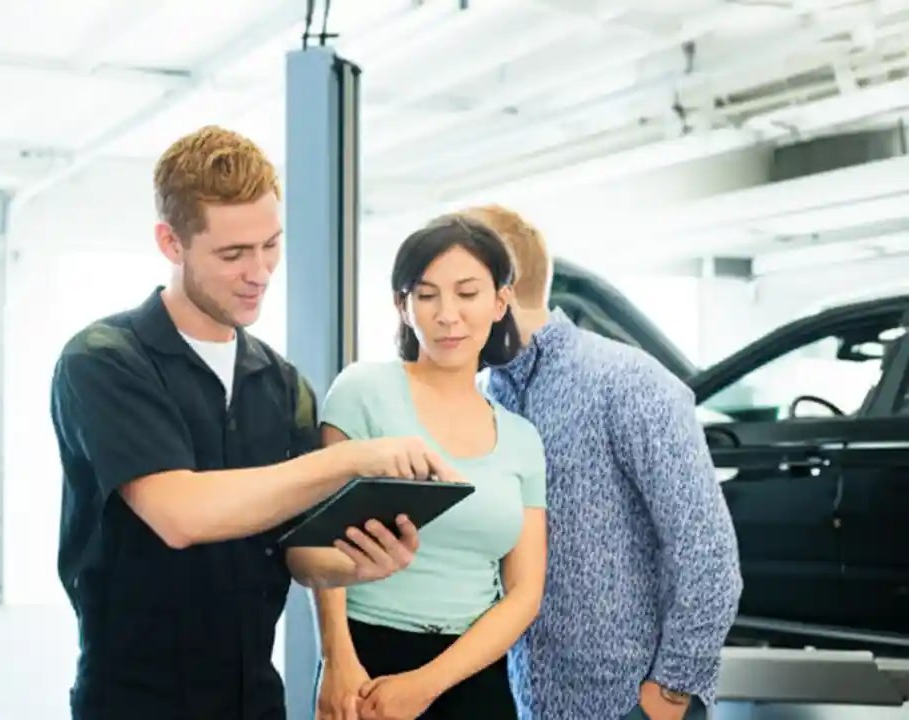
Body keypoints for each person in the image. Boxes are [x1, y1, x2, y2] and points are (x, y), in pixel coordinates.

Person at [49, 125, 455, 720]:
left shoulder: (283, 385)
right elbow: (181, 514)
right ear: (171, 242)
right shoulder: (104, 360)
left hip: (255, 699)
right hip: (132, 701)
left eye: (271, 245)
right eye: (233, 254)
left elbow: (296, 554)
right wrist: (351, 458)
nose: (260, 272)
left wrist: (360, 561)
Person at [466, 204, 743, 720]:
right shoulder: (483, 398)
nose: (444, 313)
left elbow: (708, 556)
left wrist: (669, 696)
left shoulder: (627, 382)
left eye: (461, 289)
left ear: (500, 289)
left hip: (633, 707)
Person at [297, 216, 549, 720]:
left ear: (499, 303)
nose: (448, 315)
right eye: (427, 295)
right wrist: (337, 659)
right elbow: (317, 539)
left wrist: (428, 685)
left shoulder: (523, 439)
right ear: (403, 307)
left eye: (467, 293)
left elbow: (524, 592)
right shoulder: (362, 390)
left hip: (472, 675)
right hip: (364, 664)